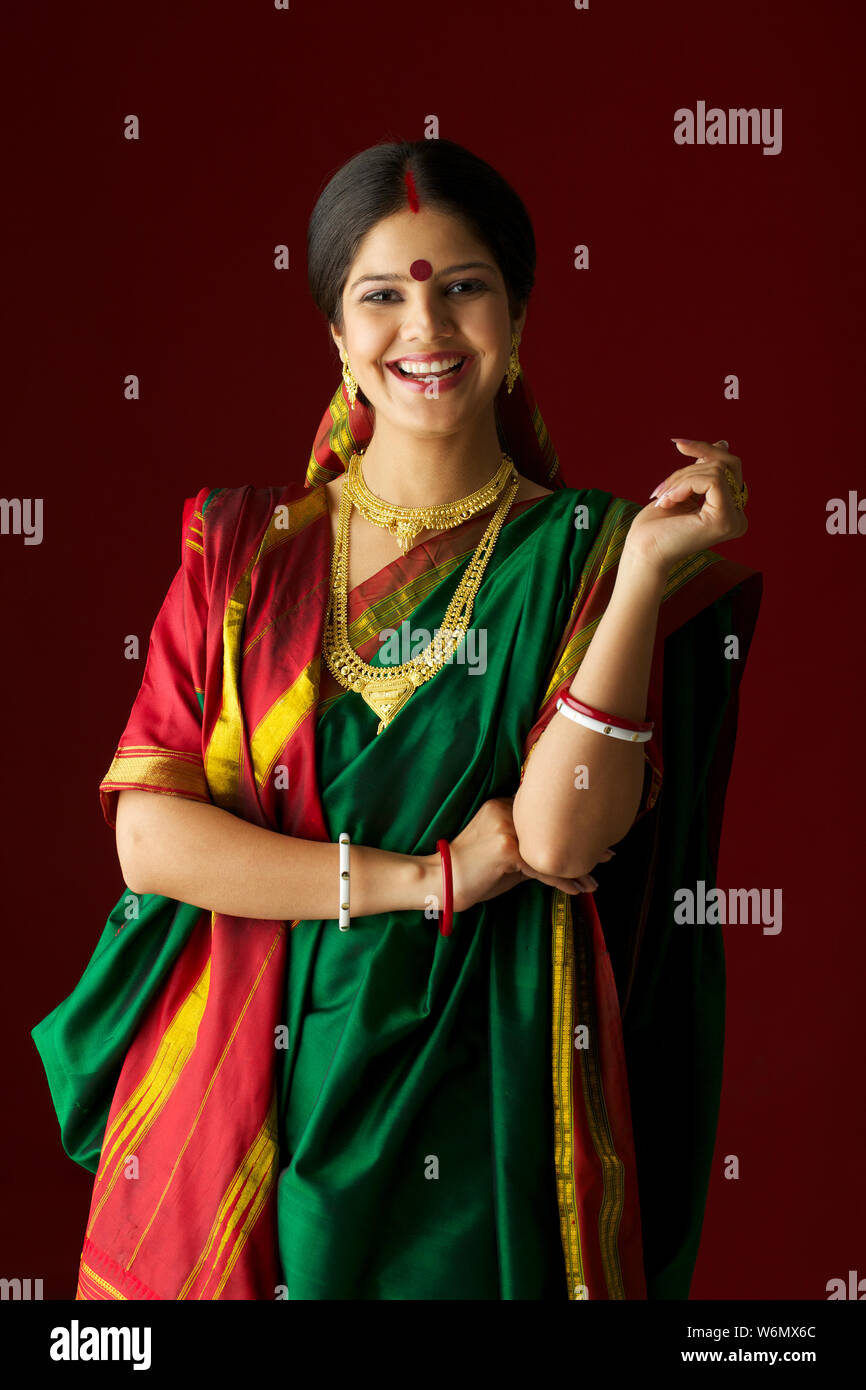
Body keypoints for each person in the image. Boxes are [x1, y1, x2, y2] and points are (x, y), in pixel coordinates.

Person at [32, 138, 762, 1301]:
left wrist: (638, 577)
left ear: (515, 319)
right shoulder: (239, 552)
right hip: (245, 1092)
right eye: (381, 294)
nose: (423, 328)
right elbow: (151, 841)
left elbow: (562, 840)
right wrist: (425, 880)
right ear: (335, 335)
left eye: (461, 287)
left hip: (481, 1087)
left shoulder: (582, 550)